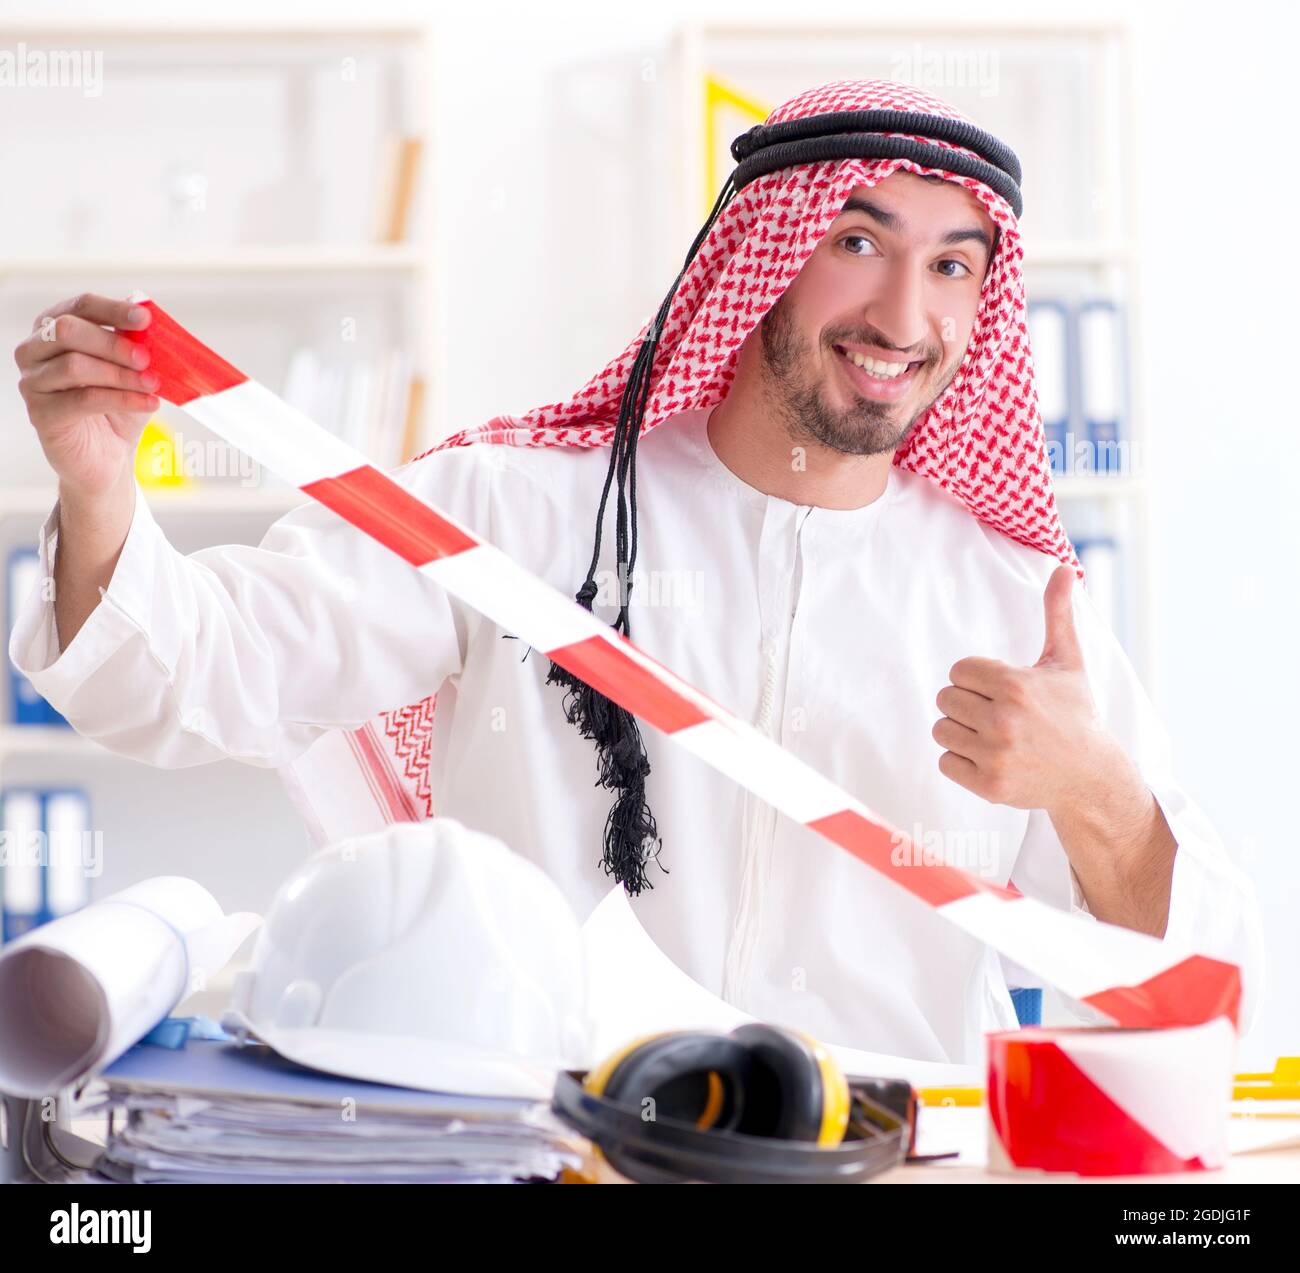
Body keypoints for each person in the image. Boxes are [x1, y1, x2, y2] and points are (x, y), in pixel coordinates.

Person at [9, 81, 1263, 1063]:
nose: (901, 315)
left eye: (950, 265)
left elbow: (1200, 1002)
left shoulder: (1015, 598)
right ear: (762, 255)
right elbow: (186, 681)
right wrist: (100, 484)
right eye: (856, 241)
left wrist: (1095, 794)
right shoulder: (507, 505)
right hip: (552, 1146)